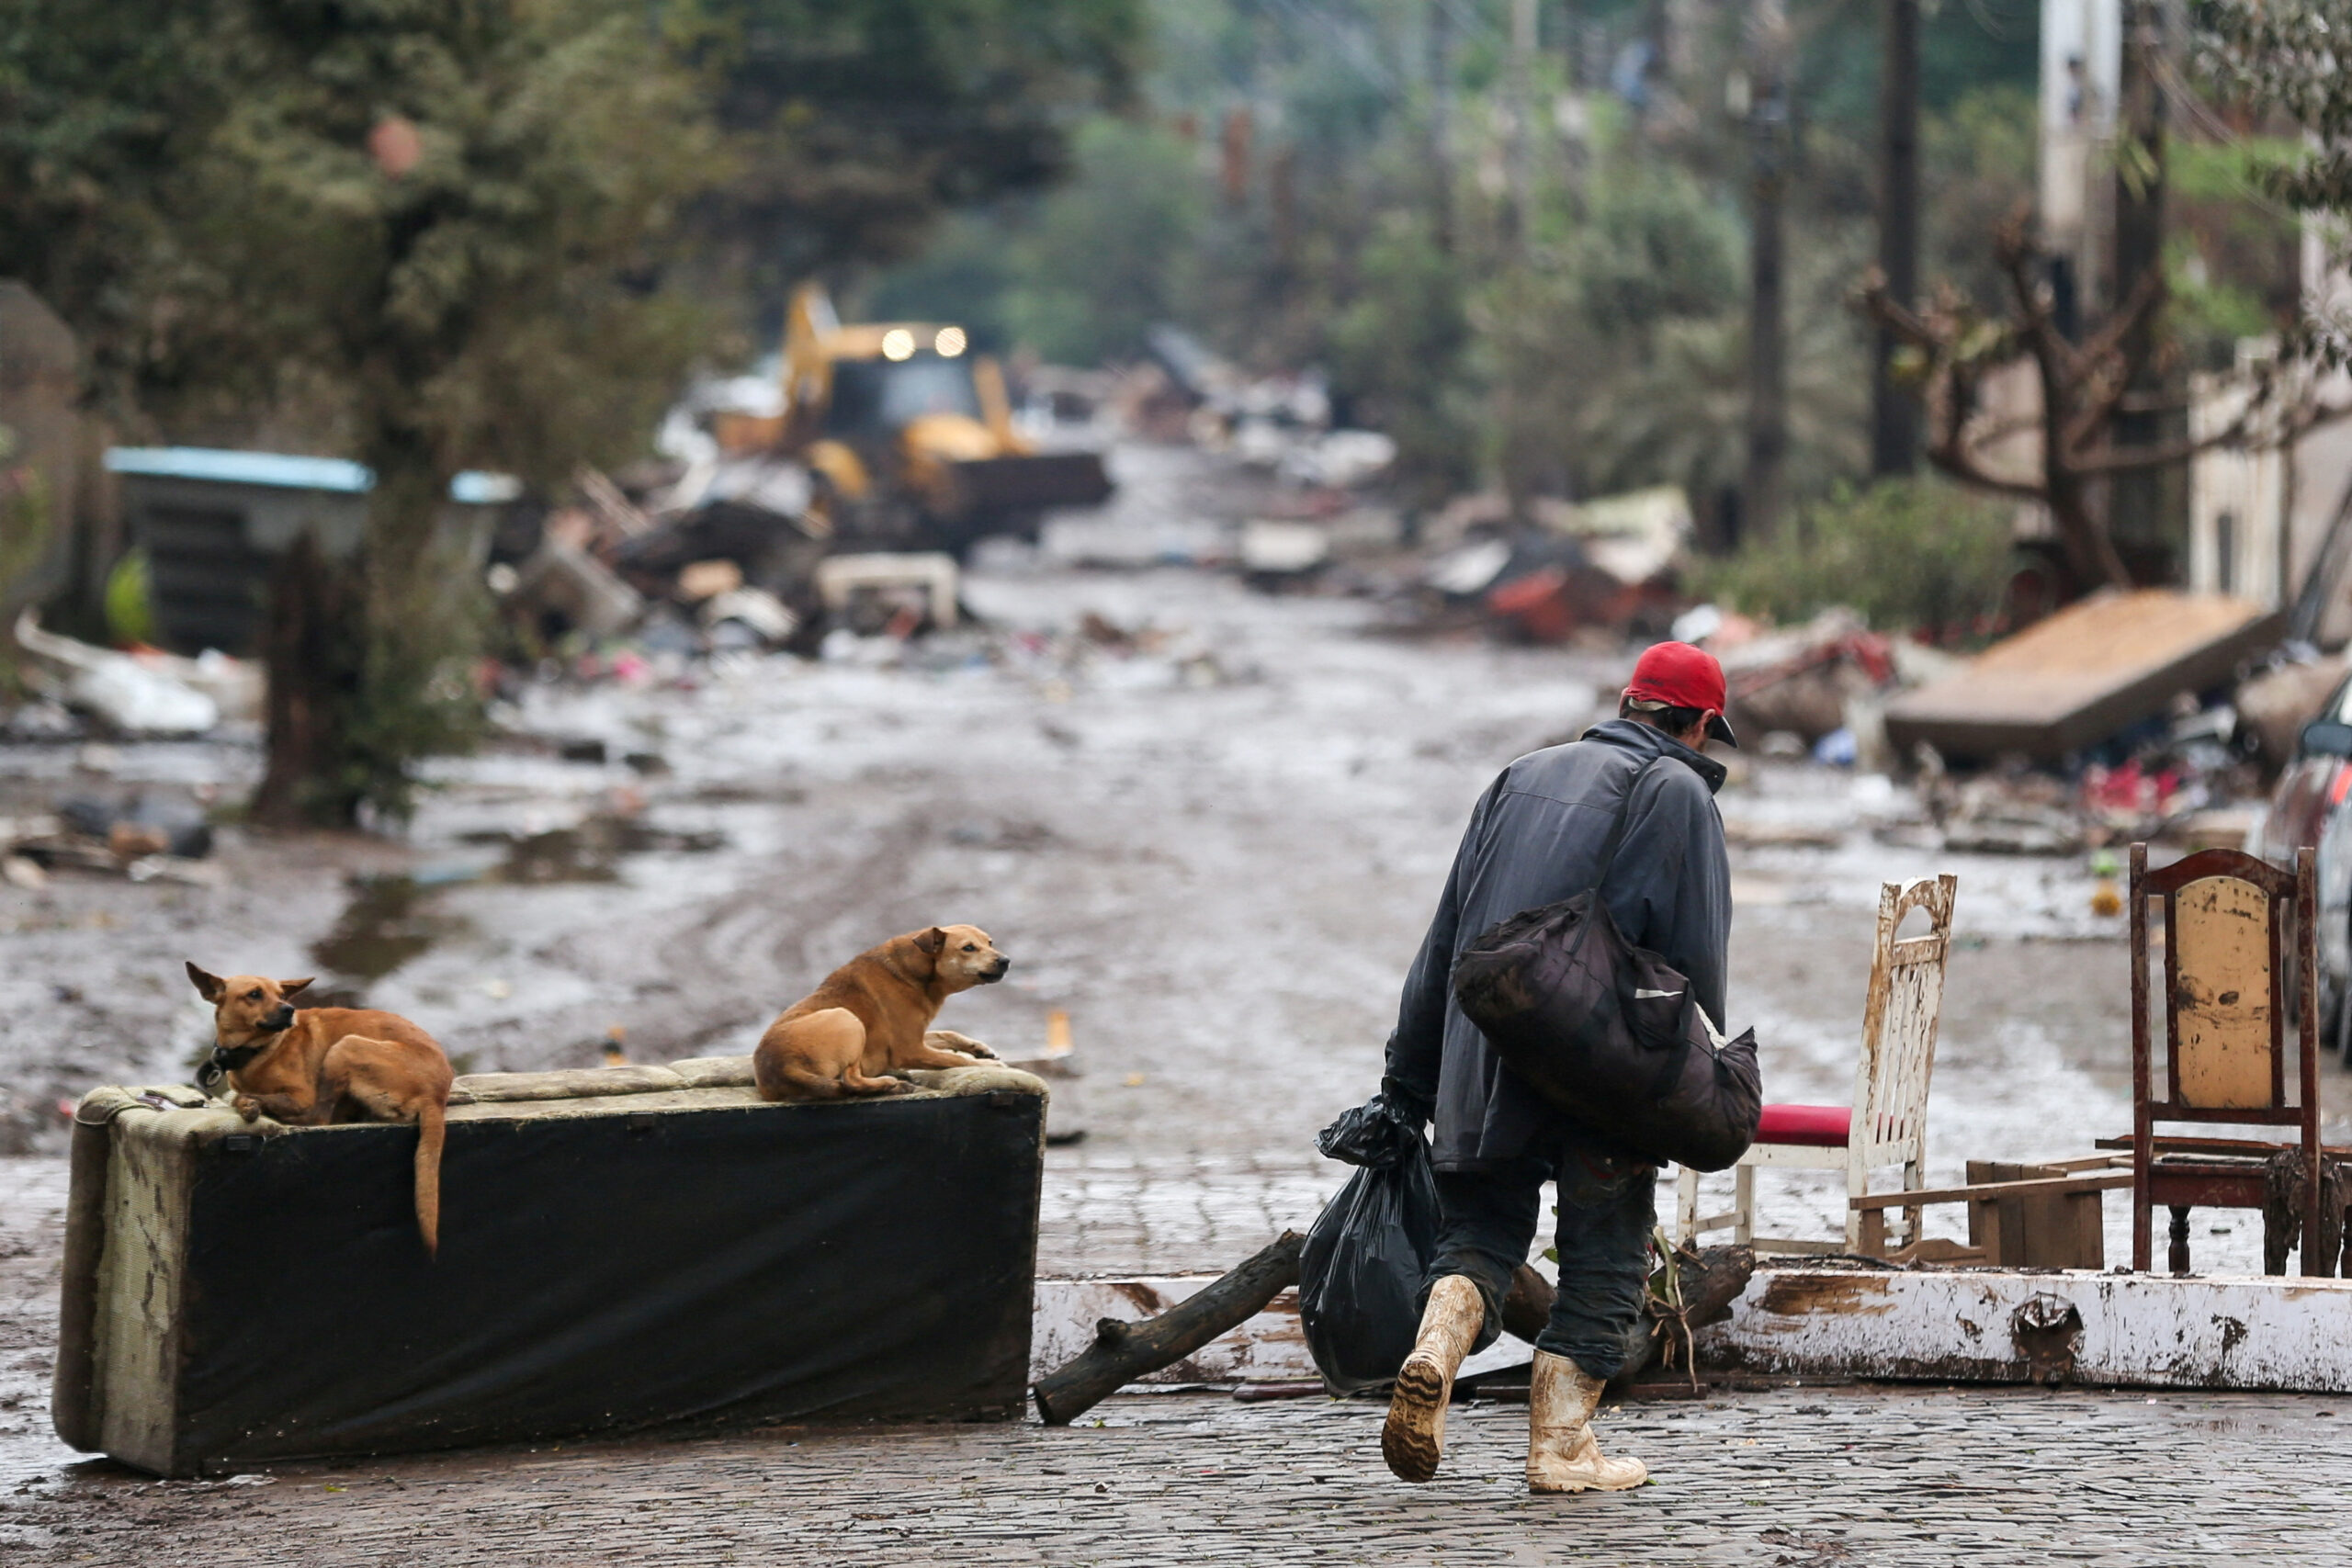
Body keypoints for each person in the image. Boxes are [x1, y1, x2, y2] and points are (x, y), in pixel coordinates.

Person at [1370, 639, 1736, 1493]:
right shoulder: (1681, 792)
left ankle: (1436, 1346)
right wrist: (1690, 1086)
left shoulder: (1515, 776)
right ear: (1702, 723)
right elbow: (1692, 965)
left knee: (1478, 1232)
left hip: (1483, 1055)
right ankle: (1562, 1450)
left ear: (1626, 702)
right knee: (1605, 1252)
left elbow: (1444, 941)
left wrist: (1408, 1080)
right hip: (1599, 1070)